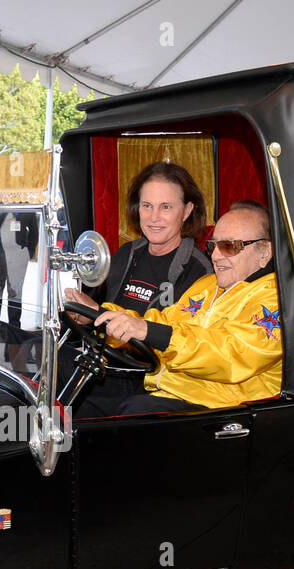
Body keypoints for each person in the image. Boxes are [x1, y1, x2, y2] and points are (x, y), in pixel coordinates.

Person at [88, 202, 281, 415]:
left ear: (265, 252)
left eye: (229, 246)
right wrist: (99, 314)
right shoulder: (207, 285)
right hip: (164, 388)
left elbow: (231, 354)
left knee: (136, 414)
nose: (215, 256)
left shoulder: (276, 301)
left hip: (218, 407)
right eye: (213, 246)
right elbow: (160, 322)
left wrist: (150, 332)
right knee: (81, 387)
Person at [62, 160, 213, 416]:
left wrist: (98, 312)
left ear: (187, 211)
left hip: (147, 380)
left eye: (166, 207)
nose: (154, 217)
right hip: (106, 364)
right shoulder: (126, 254)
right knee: (33, 359)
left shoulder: (200, 273)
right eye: (147, 206)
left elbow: (184, 345)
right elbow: (95, 312)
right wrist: (83, 316)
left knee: (61, 400)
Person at [0, 210, 37, 349]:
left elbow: (34, 233)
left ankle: (14, 333)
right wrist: (6, 207)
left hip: (18, 256)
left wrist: (28, 252)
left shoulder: (28, 206)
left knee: (15, 294)